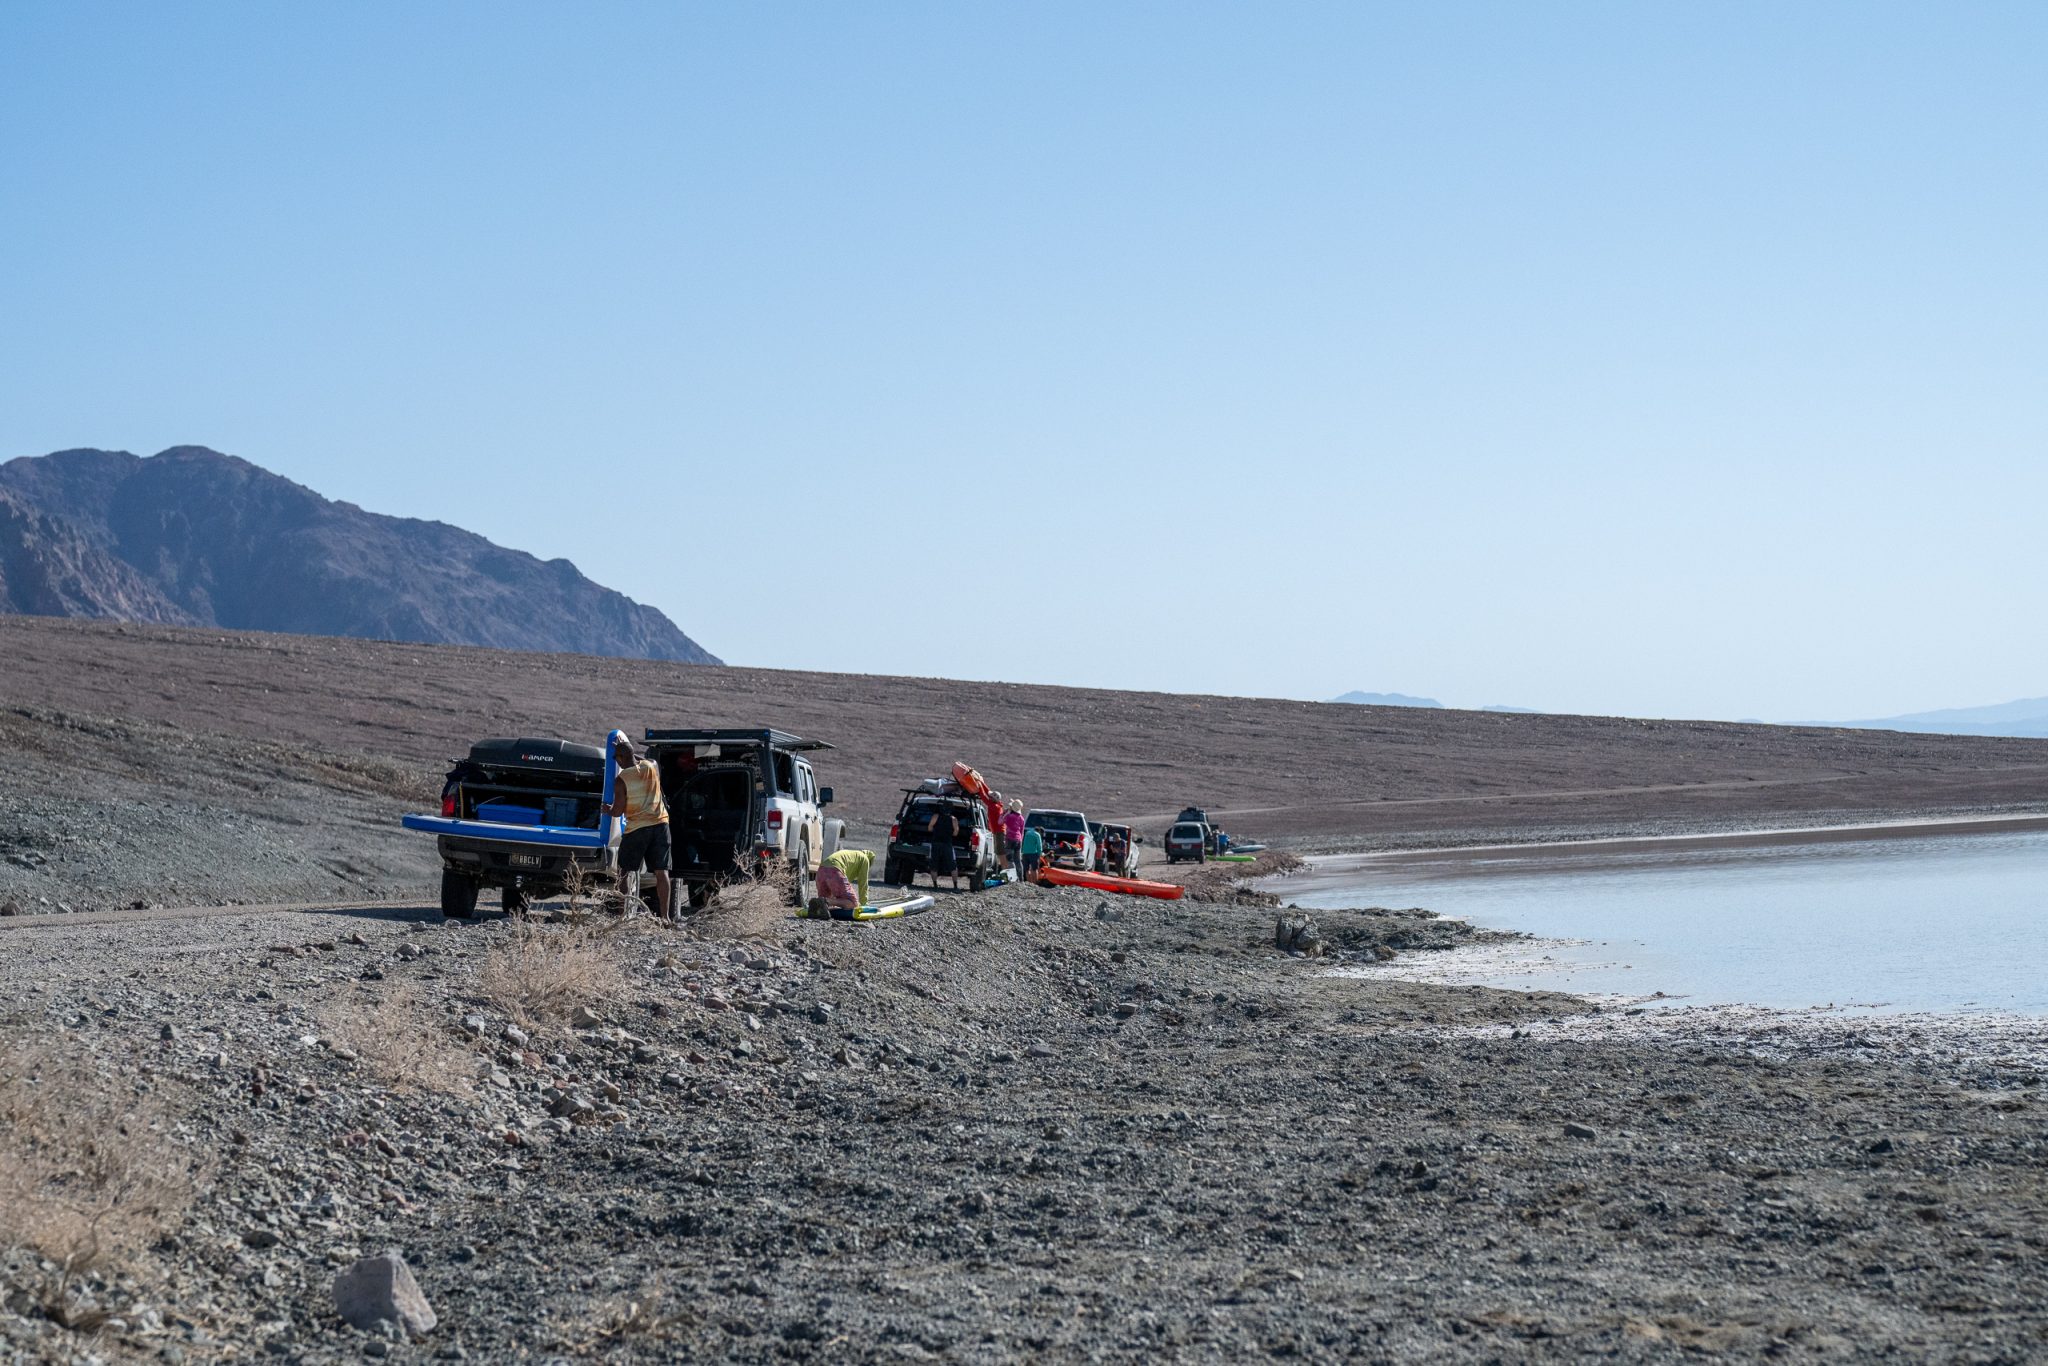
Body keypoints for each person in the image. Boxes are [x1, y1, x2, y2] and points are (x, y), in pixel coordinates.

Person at [601, 731, 672, 923]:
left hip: (637, 829)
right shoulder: (652, 767)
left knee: (624, 872)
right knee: (661, 872)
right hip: (660, 825)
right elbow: (636, 759)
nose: (616, 762)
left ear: (623, 757)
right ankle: (665, 918)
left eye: (617, 758)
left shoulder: (621, 780)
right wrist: (626, 748)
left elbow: (617, 811)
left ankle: (622, 915)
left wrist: (606, 810)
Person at [812, 846, 873, 917]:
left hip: (821, 870)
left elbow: (840, 885)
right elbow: (863, 884)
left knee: (825, 906)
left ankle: (819, 905)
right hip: (835, 870)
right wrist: (864, 904)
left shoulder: (852, 855)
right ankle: (827, 901)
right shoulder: (865, 859)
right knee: (853, 903)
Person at [927, 805, 962, 892]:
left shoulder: (935, 816)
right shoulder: (953, 819)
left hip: (936, 843)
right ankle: (955, 886)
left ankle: (935, 886)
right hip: (947, 844)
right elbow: (956, 833)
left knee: (934, 865)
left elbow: (929, 828)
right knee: (952, 865)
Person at [1001, 799, 1026, 880]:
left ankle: (1014, 878)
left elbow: (1000, 822)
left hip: (1010, 839)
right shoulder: (1021, 818)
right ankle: (1021, 879)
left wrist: (1004, 813)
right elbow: (1022, 831)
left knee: (1010, 860)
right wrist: (1020, 840)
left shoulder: (1009, 817)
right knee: (1018, 861)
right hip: (1018, 840)